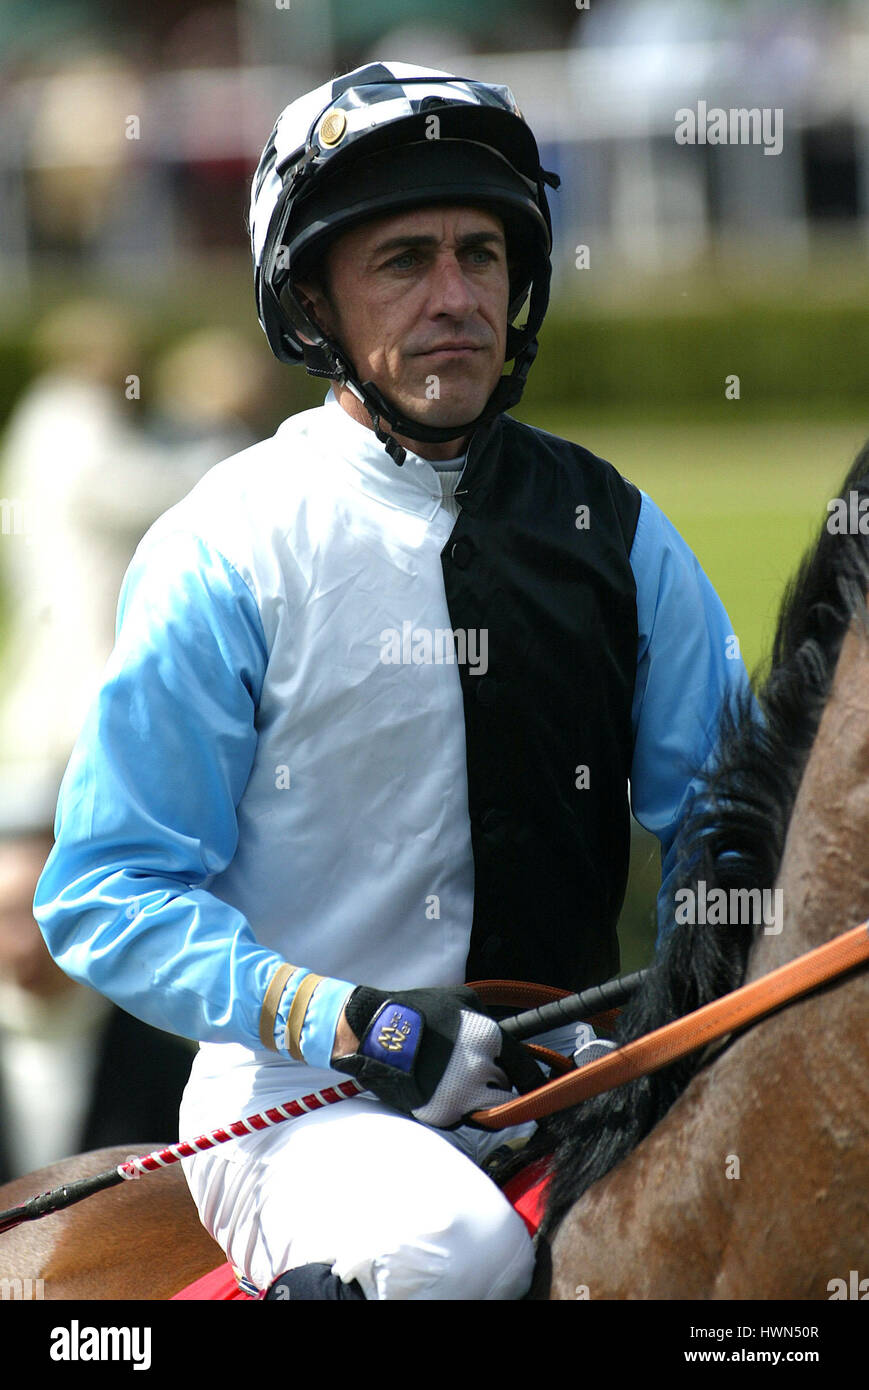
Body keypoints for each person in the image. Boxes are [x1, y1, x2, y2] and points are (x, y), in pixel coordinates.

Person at [34, 61, 749, 1300]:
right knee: (449, 1250)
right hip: (300, 1098)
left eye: (482, 253)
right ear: (312, 298)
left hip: (575, 1068)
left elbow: (727, 816)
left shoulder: (615, 530)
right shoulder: (227, 545)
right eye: (403, 259)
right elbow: (103, 890)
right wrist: (351, 1020)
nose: (455, 296)